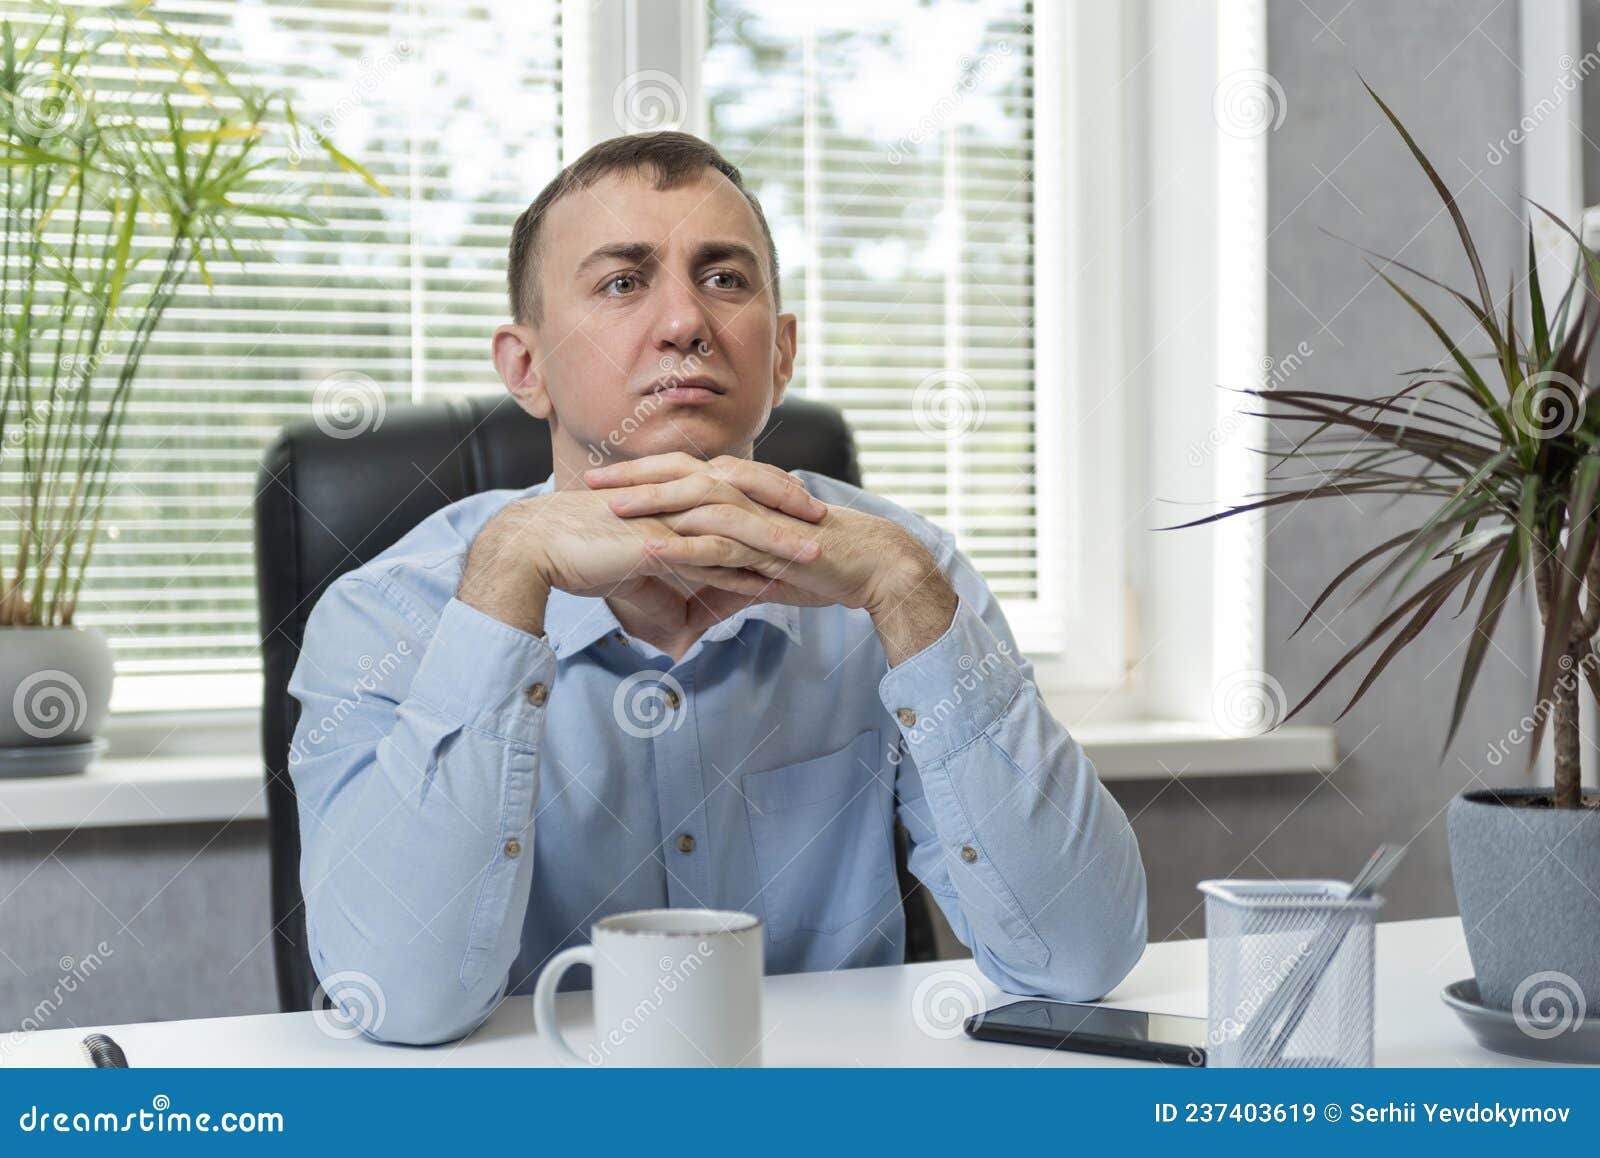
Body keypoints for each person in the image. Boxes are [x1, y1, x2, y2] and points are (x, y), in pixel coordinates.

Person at [288, 131, 1147, 1046]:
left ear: (781, 355)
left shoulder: (908, 571)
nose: (685, 323)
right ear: (525, 369)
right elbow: (401, 1003)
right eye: (623, 282)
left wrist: (907, 597)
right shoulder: (388, 614)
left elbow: (1077, 960)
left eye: (725, 278)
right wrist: (506, 581)